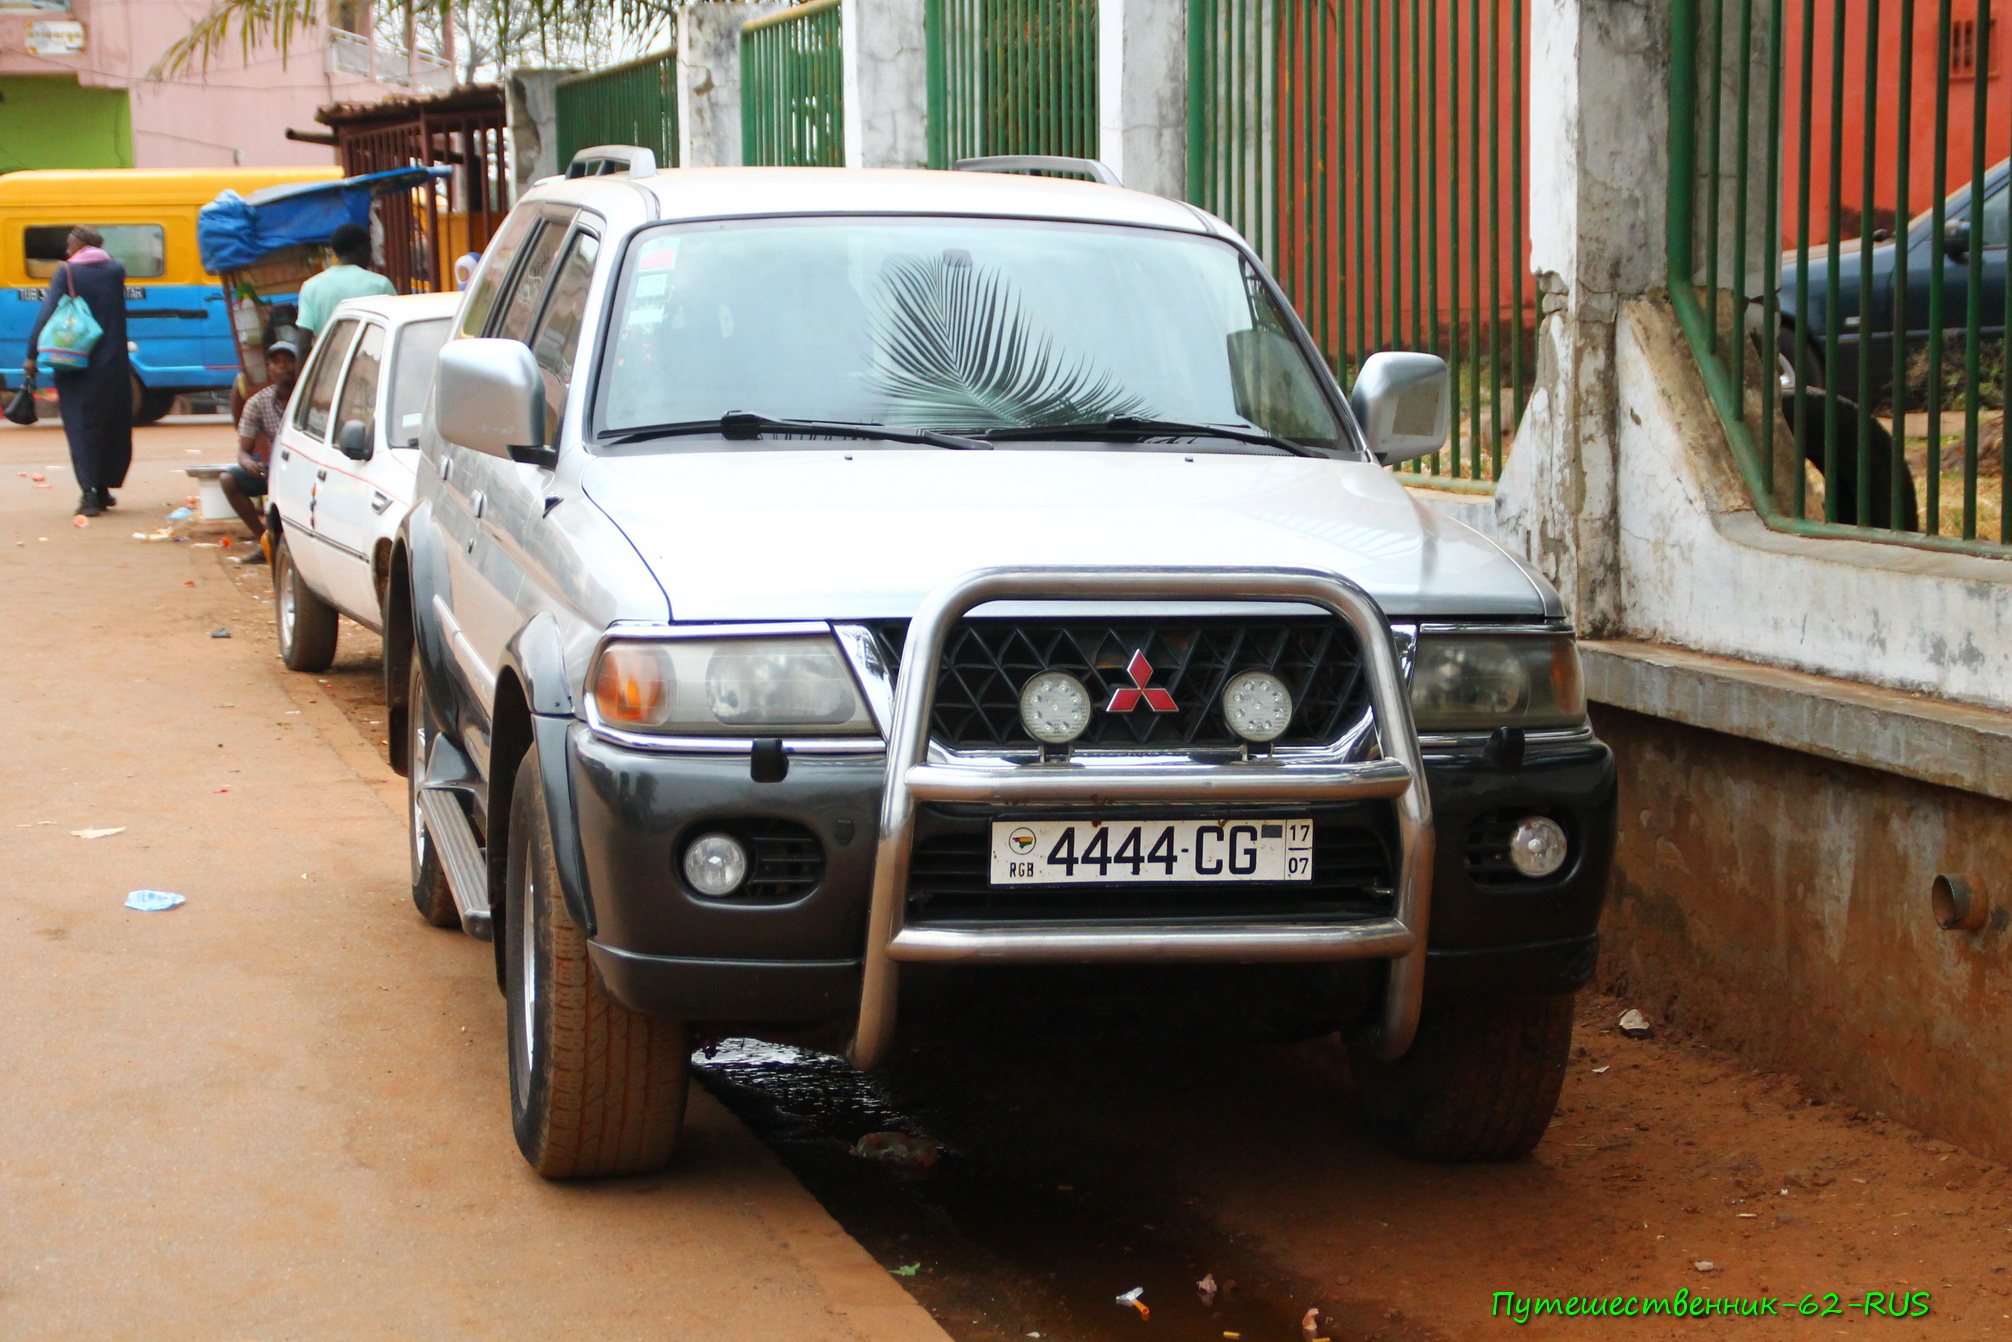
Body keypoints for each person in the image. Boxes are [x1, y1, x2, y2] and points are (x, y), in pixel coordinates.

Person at [22, 226, 132, 518]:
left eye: (70, 245)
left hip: (75, 361)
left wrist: (31, 354)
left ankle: (88, 494)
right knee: (111, 423)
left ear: (81, 245)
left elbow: (48, 312)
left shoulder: (68, 271)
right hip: (113, 362)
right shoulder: (116, 270)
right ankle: (104, 488)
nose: (67, 250)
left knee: (82, 425)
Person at [220, 340, 300, 562]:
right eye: (276, 362)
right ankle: (266, 541)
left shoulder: (312, 398)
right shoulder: (257, 402)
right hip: (277, 470)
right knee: (228, 480)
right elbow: (243, 451)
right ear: (269, 369)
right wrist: (248, 463)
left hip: (305, 469)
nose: (282, 366)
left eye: (288, 361)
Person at [297, 222, 395, 353]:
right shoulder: (380, 284)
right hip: (374, 360)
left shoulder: (311, 287)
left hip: (331, 362)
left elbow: (304, 344)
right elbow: (396, 331)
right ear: (362, 249)